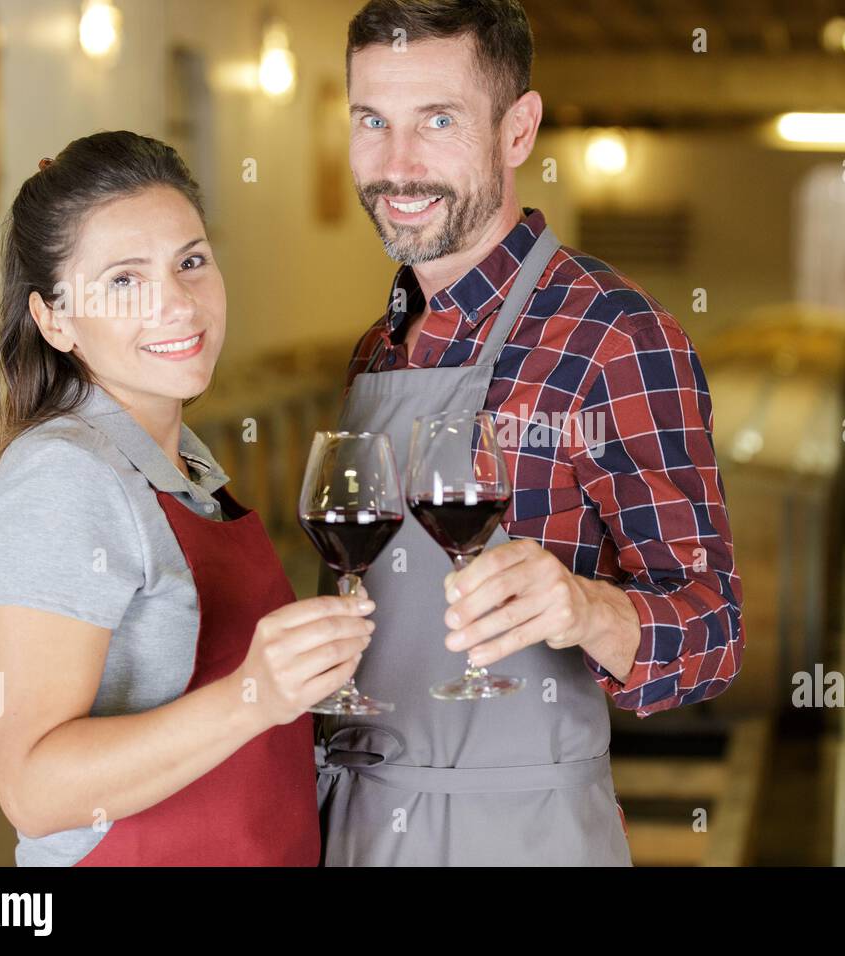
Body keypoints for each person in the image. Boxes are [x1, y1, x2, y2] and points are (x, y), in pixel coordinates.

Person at [316, 0, 743, 866]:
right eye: (373, 121)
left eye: (438, 120)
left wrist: (586, 607)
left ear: (518, 129)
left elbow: (717, 633)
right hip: (352, 820)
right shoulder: (378, 347)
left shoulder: (614, 336)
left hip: (517, 834)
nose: (398, 164)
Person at [0, 131, 375, 866]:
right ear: (54, 320)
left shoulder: (181, 460)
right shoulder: (61, 478)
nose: (178, 304)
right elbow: (32, 788)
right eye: (124, 280)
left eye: (191, 261)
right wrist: (254, 695)